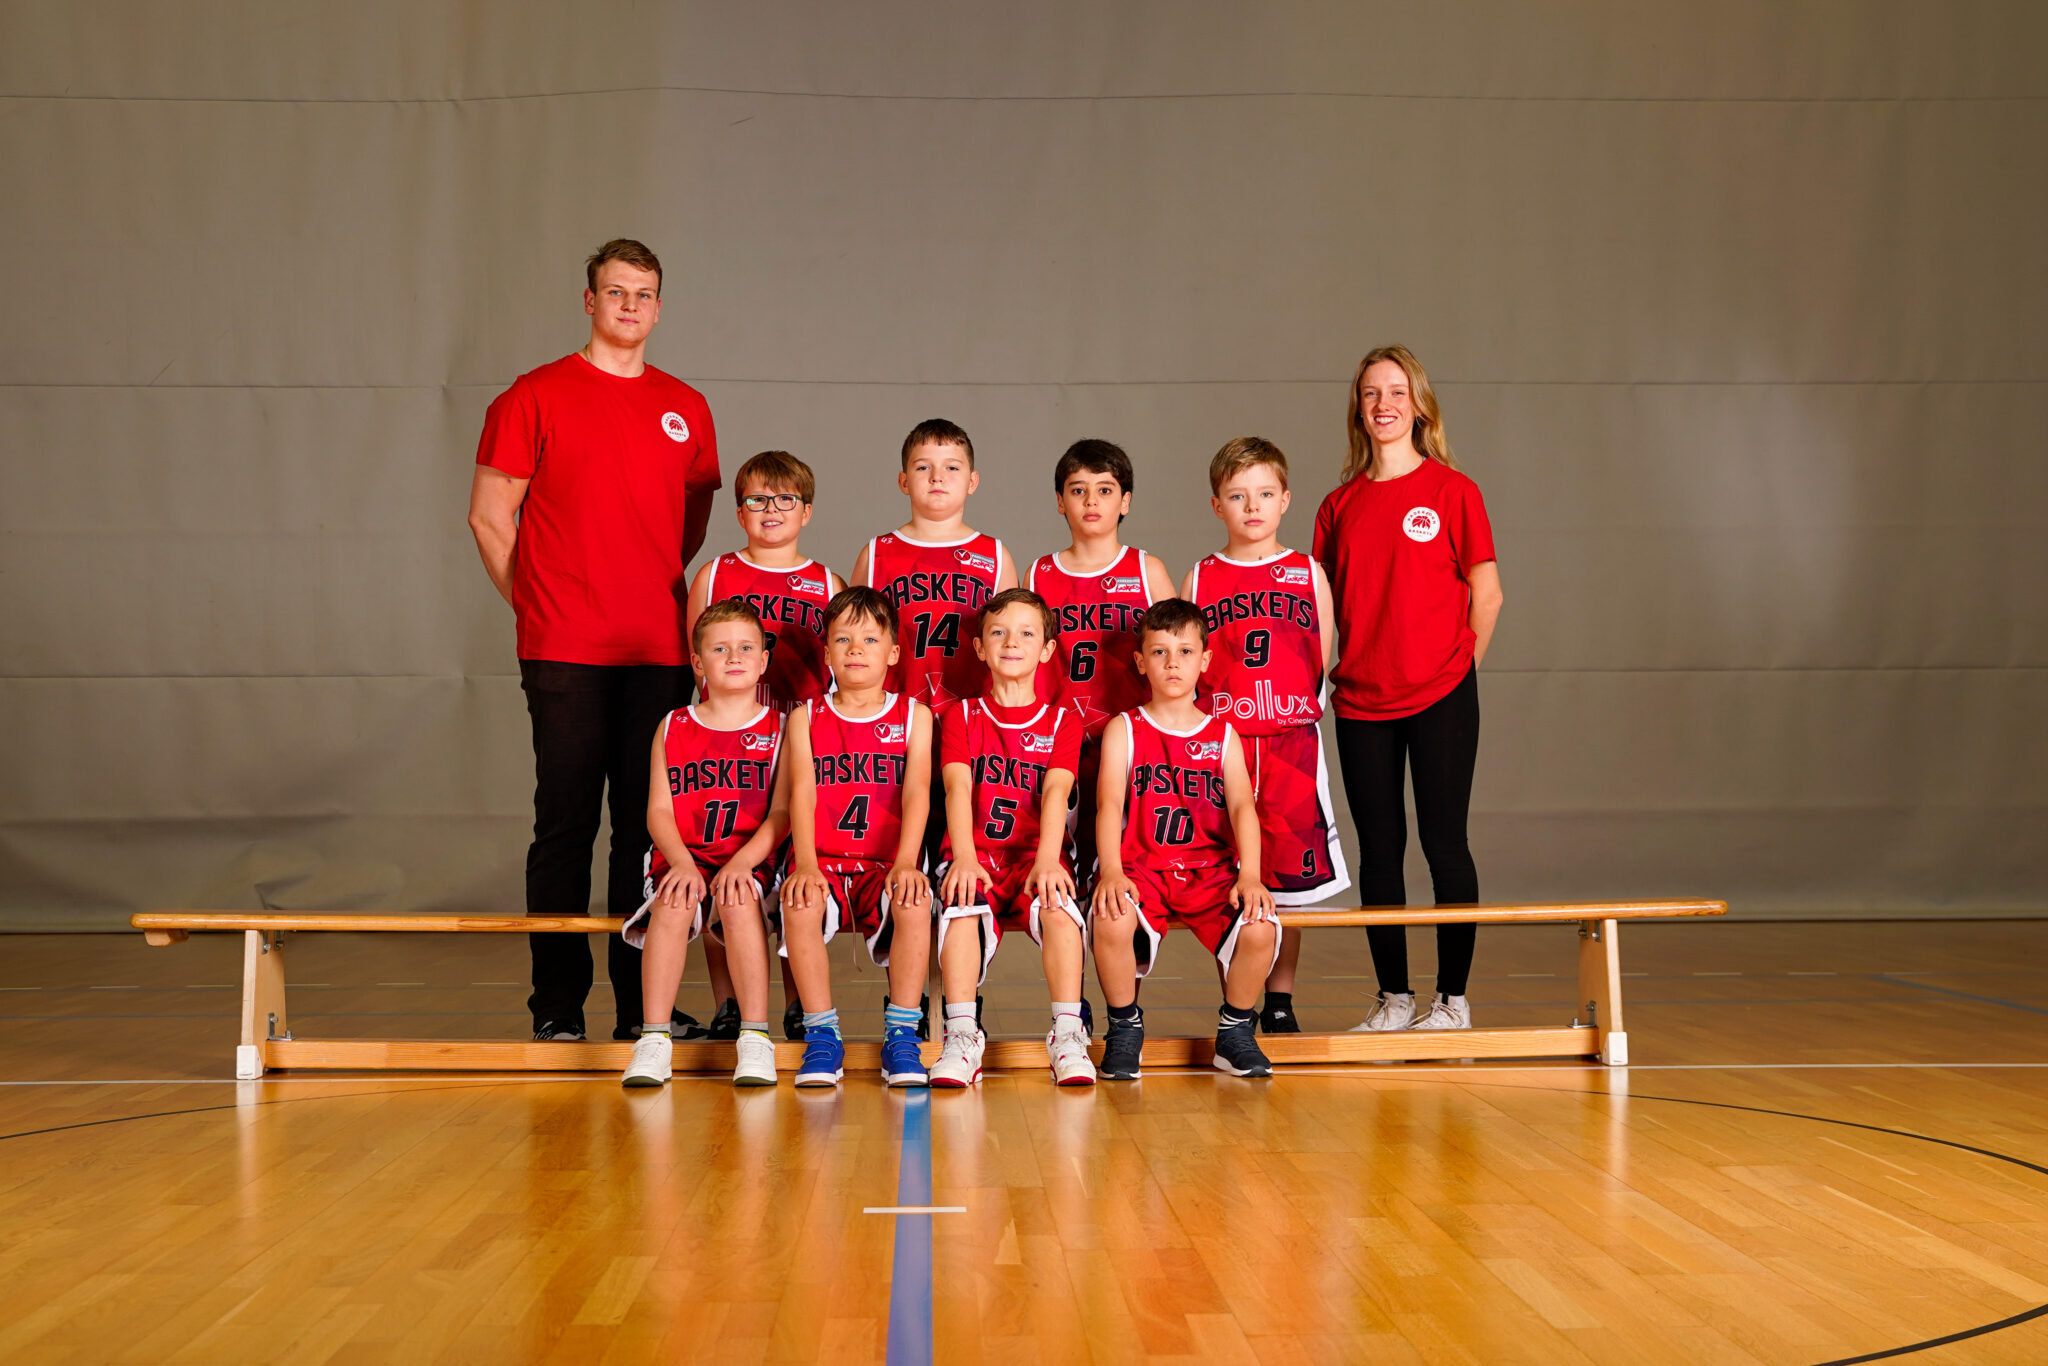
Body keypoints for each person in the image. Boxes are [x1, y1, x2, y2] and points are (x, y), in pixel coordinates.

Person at [468, 239, 720, 1042]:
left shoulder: (685, 406)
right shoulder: (534, 395)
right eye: (616, 292)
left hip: (656, 648)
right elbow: (489, 516)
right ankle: (557, 1007)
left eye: (643, 294)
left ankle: (641, 1010)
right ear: (589, 301)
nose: (630, 306)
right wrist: (536, 604)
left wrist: (638, 582)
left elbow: (684, 527)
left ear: (659, 307)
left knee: (646, 833)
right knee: (567, 825)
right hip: (564, 647)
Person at [1315, 345, 1502, 1032]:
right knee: (1380, 849)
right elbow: (1325, 610)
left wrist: (1456, 671)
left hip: (1442, 694)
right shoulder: (1339, 506)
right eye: (1371, 393)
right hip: (1362, 700)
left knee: (1444, 843)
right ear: (1358, 410)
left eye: (1397, 391)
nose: (1384, 404)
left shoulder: (1455, 492)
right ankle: (1393, 998)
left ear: (1419, 405)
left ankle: (1452, 1001)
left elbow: (1488, 594)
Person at [1184, 437, 1350, 1035]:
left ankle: (1280, 1003)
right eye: (1237, 496)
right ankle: (1238, 1004)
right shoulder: (1201, 576)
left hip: (1289, 746)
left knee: (1287, 885)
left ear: (1284, 500)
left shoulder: (1307, 572)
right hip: (1224, 747)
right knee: (1229, 877)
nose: (1251, 506)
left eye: (1263, 494)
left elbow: (1321, 656)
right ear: (1217, 505)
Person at [683, 450, 843, 1042]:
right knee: (722, 860)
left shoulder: (828, 583)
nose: (770, 510)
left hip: (798, 743)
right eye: (756, 499)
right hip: (730, 746)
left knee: (795, 871)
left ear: (807, 511)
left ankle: (800, 1002)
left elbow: (840, 674)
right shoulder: (714, 575)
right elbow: (695, 662)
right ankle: (729, 1004)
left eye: (784, 499)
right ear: (739, 511)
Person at [1091, 599, 1280, 1080]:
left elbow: (1242, 808)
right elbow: (1108, 805)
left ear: (1205, 660)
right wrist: (1110, 870)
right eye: (1159, 652)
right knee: (1111, 917)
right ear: (1141, 662)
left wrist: (1251, 875)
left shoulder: (1223, 735)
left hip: (1209, 872)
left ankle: (1235, 1032)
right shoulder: (1125, 728)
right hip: (1141, 868)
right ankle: (1124, 1028)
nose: (1172, 663)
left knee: (1260, 926)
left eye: (1184, 651)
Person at [619, 601, 789, 1088]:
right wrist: (680, 862)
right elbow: (658, 810)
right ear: (697, 662)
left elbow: (781, 814)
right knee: (673, 902)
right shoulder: (674, 725)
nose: (734, 657)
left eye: (746, 648)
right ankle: (654, 1039)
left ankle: (754, 1036)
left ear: (763, 660)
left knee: (736, 900)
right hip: (685, 855)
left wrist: (743, 862)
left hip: (749, 859)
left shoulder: (780, 727)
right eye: (719, 649)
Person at [929, 590, 1092, 1087]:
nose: (1011, 643)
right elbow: (957, 788)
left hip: (1033, 857)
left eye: (1026, 634)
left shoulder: (1063, 720)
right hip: (974, 856)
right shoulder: (961, 715)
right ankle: (962, 1035)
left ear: (1047, 649)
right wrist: (963, 856)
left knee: (1060, 909)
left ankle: (1068, 1034)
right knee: (962, 907)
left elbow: (1056, 792)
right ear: (980, 648)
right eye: (998, 633)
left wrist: (1048, 860)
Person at [779, 587, 935, 1087]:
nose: (855, 649)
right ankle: (822, 1036)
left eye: (869, 639)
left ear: (893, 653)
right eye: (843, 639)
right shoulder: (805, 716)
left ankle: (902, 1035)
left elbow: (917, 793)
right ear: (826, 653)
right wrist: (805, 862)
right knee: (799, 902)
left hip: (885, 864)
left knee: (914, 902)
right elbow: (802, 793)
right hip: (823, 860)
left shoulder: (915, 716)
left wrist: (907, 861)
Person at [1027, 439, 1176, 892]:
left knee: (1121, 880)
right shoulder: (1039, 574)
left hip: (1131, 746)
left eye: (1105, 490)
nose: (1091, 501)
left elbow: (1178, 656)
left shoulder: (1147, 570)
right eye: (1078, 490)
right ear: (1060, 501)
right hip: (1058, 747)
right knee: (1062, 875)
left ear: (1125, 501)